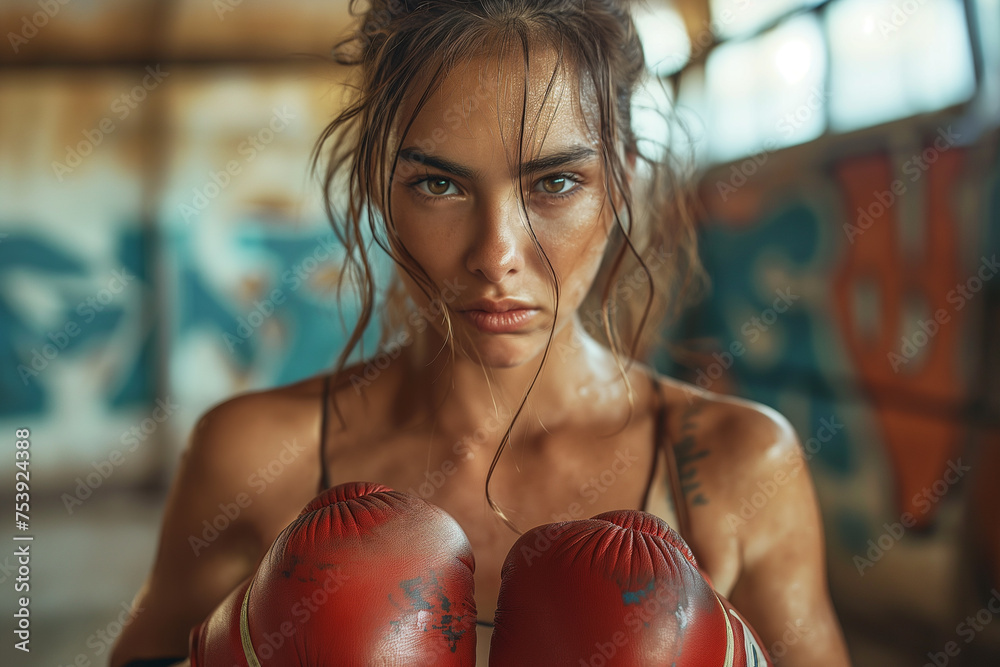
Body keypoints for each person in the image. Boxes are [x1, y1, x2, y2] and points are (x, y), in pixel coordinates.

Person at [110, 1, 852, 665]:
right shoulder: (251, 456)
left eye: (554, 183)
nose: (496, 254)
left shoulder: (739, 469)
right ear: (380, 187)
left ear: (624, 180)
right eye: (440, 183)